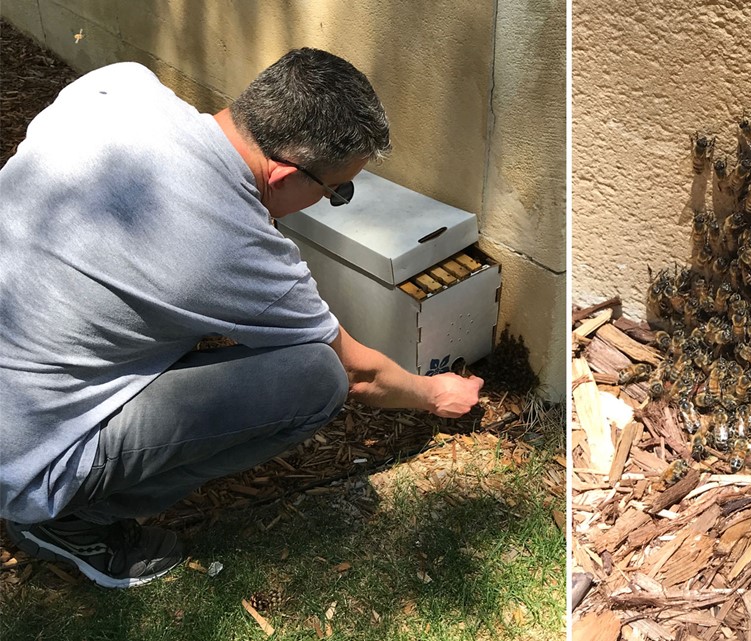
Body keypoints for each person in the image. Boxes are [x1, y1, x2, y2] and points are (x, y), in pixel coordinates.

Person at [0, 48, 483, 588]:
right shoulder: (231, 244)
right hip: (25, 455)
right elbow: (357, 374)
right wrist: (434, 393)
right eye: (336, 192)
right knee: (316, 380)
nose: (332, 202)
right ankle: (68, 520)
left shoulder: (119, 88)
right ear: (282, 176)